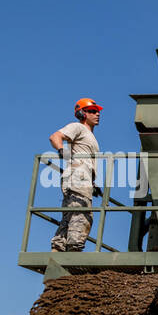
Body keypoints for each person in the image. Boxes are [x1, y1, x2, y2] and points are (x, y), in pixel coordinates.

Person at [48, 98, 102, 252]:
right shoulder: (77, 127)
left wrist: (93, 184)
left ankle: (57, 249)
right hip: (78, 177)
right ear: (82, 113)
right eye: (92, 111)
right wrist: (61, 150)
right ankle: (74, 252)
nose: (97, 114)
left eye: (97, 111)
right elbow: (55, 136)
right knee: (82, 215)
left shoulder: (89, 136)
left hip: (81, 178)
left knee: (70, 216)